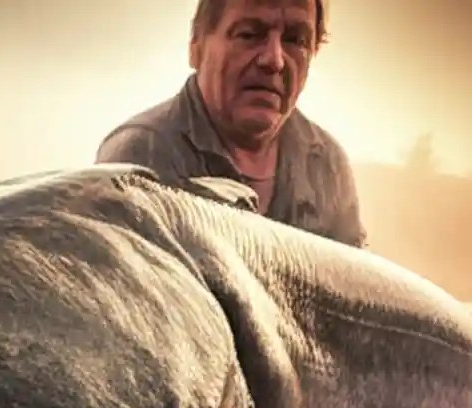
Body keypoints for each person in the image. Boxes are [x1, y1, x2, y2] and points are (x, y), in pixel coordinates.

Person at [95, 0, 367, 249]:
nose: (274, 59)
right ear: (196, 46)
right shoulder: (139, 160)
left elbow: (360, 294)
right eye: (249, 34)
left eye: (296, 40)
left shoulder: (327, 165)